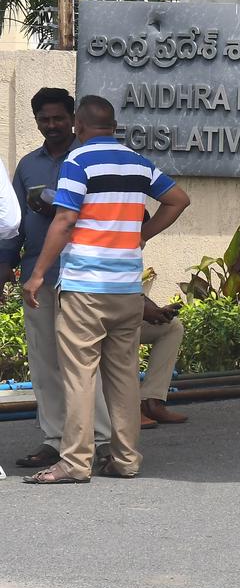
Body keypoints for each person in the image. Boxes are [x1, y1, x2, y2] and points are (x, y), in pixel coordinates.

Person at [21, 95, 190, 483]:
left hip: (85, 287)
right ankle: (126, 459)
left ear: (79, 126)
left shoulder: (77, 162)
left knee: (79, 375)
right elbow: (179, 199)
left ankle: (75, 463)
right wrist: (140, 235)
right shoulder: (138, 163)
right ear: (113, 126)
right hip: (127, 288)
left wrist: (36, 274)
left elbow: (64, 221)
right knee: (123, 376)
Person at [2, 88, 117, 471]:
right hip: (39, 273)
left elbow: (106, 213)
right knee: (45, 361)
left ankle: (100, 440)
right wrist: (7, 266)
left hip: (83, 274)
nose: (51, 126)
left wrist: (60, 205)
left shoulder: (88, 161)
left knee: (85, 363)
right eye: (43, 120)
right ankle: (55, 439)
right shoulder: (27, 165)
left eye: (58, 118)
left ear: (74, 119)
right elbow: (12, 224)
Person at [139, 295, 189, 426]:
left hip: (124, 308)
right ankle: (129, 409)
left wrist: (156, 311)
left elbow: (134, 289)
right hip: (95, 315)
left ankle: (151, 401)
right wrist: (141, 309)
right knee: (125, 330)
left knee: (172, 326)